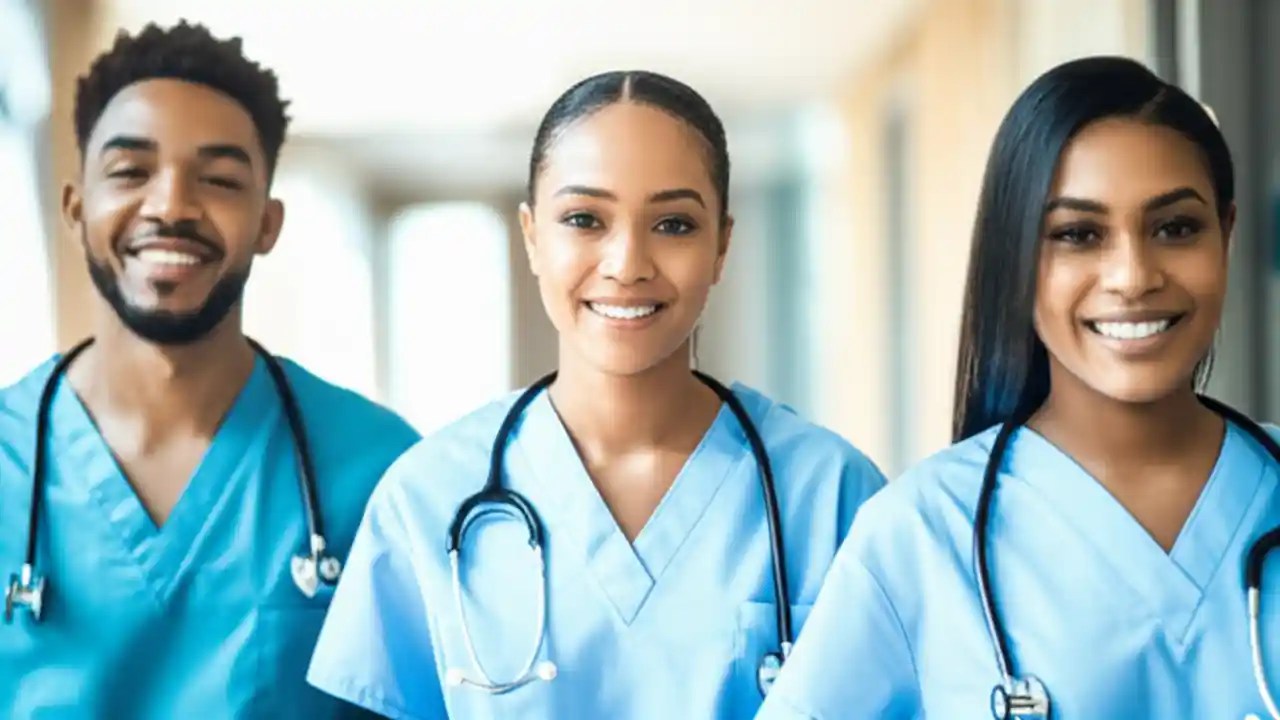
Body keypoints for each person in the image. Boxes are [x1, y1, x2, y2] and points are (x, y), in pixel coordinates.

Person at [305, 70, 887, 719]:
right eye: (584, 219)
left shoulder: (832, 495)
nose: (627, 262)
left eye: (673, 224)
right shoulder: (428, 497)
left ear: (722, 244)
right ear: (532, 237)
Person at [754, 55, 1280, 720]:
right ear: (1015, 257)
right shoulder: (920, 534)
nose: (1133, 275)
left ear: (1225, 235)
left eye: (1175, 228)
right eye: (1078, 235)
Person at [0, 21, 419, 718]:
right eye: (131, 172)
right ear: (75, 210)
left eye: (220, 179)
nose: (170, 206)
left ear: (267, 223)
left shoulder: (380, 472)